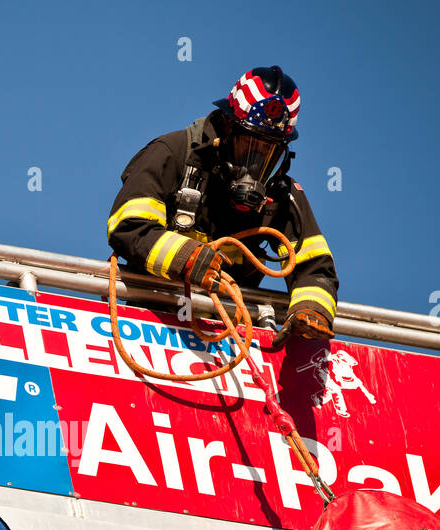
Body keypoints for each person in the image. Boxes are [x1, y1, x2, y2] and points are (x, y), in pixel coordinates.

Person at [107, 67, 337, 349]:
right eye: (249, 144)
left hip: (227, 335)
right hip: (149, 320)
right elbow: (128, 227)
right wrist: (187, 259)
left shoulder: (281, 194)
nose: (257, 161)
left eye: (269, 149)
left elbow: (314, 265)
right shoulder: (172, 153)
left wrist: (312, 309)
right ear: (227, 128)